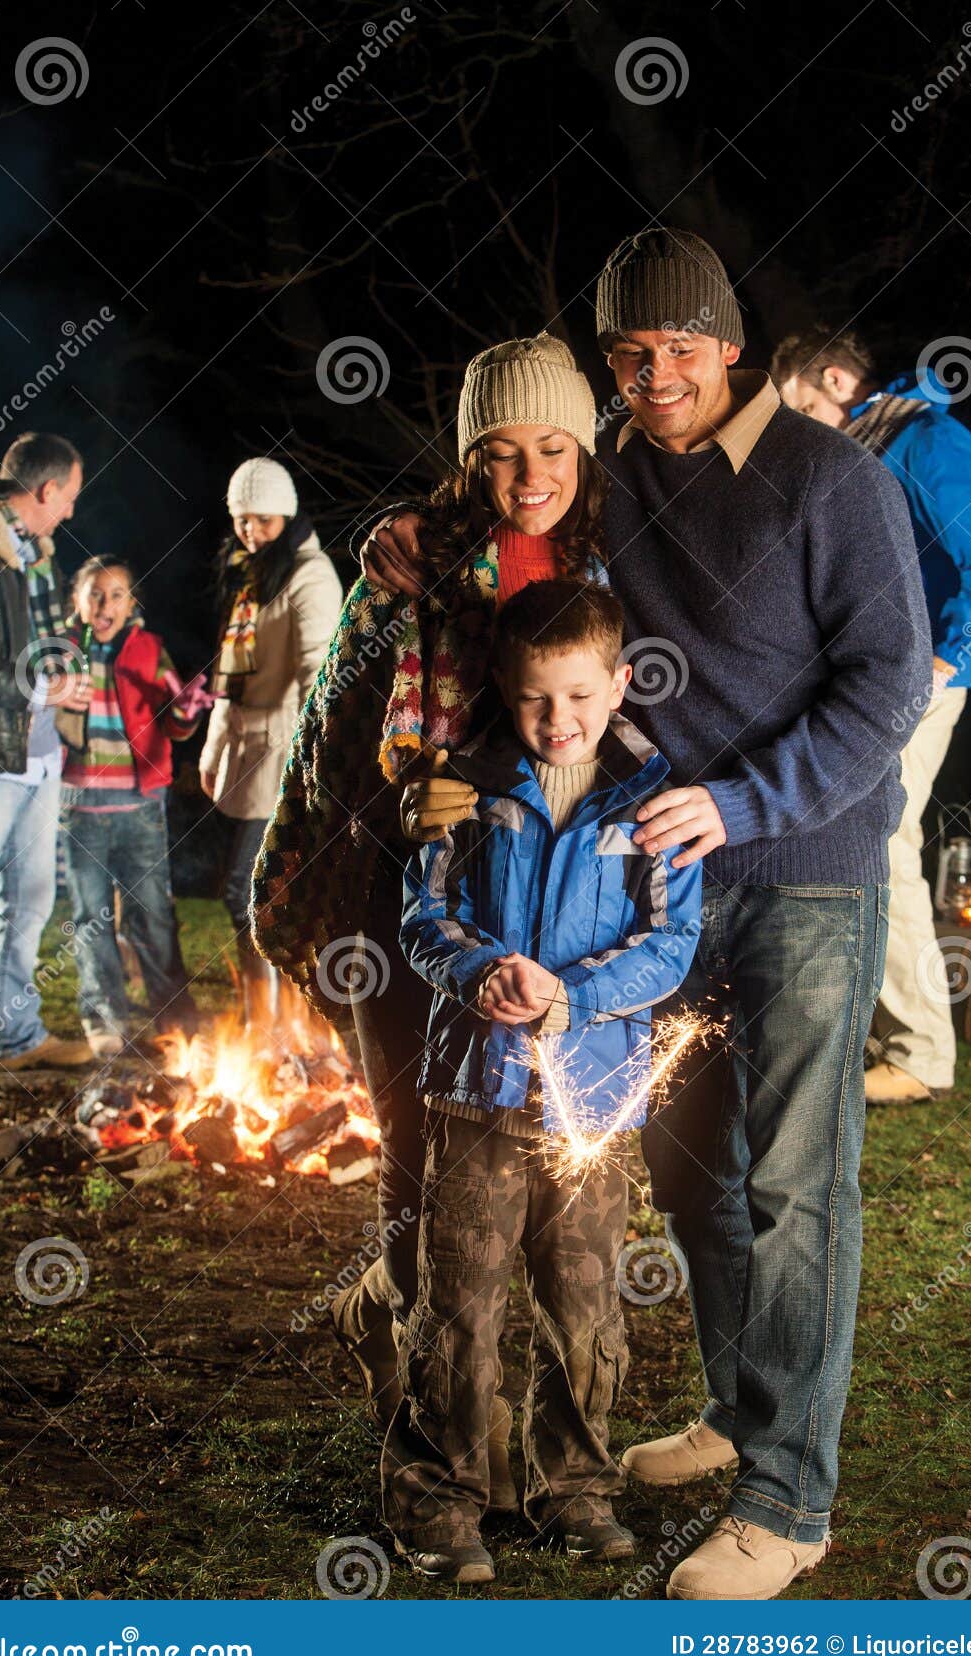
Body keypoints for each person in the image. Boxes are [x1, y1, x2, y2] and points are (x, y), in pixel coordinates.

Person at [364, 230, 934, 1599]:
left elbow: (888, 681)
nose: (656, 368)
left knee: (799, 1182)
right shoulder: (607, 475)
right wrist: (394, 535)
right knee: (688, 1176)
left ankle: (788, 1499)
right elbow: (506, 492)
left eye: (681, 342)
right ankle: (737, 1413)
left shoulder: (828, 478)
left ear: (728, 343)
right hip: (650, 890)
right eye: (631, 348)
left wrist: (743, 803)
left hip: (797, 865)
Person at [251, 336, 609, 1510]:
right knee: (423, 1180)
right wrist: (404, 800)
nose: (526, 474)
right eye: (498, 452)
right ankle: (451, 1432)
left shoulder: (607, 558)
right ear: (465, 459)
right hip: (395, 913)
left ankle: (462, 1385)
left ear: (584, 449)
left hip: (548, 921)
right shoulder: (409, 558)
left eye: (551, 447)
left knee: (541, 1188)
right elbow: (330, 735)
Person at [383, 578, 702, 1583]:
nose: (554, 719)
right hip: (472, 1086)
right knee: (459, 1300)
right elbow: (419, 918)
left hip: (592, 1100)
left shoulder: (654, 801)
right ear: (504, 691)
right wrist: (482, 971)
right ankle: (448, 1497)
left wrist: (564, 996)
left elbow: (670, 942)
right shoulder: (463, 787)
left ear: (615, 686)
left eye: (575, 695)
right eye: (532, 698)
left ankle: (575, 1487)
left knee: (582, 1298)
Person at [772, 327, 971, 1105]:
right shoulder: (869, 445)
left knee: (885, 843)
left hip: (913, 682)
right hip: (866, 676)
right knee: (857, 841)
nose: (801, 424)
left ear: (836, 379)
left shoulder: (927, 439)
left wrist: (942, 659)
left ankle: (920, 1054)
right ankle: (876, 1037)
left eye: (802, 405)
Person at [199, 457, 341, 1034]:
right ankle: (268, 1022)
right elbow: (228, 682)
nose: (249, 531)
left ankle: (282, 1024)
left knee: (249, 892)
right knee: (254, 894)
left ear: (285, 514)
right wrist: (211, 752)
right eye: (241, 520)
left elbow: (320, 673)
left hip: (284, 756)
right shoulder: (254, 576)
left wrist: (314, 763)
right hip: (245, 754)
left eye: (260, 519)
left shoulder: (310, 575)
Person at [0, 434, 94, 1071]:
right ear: (46, 491)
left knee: (30, 900)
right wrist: (42, 687)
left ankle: (12, 1038)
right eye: (69, 497)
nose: (70, 512)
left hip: (38, 758)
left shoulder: (35, 556)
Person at [57, 555, 210, 1056]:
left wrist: (186, 712)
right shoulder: (59, 651)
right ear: (78, 601)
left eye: (116, 594)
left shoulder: (149, 649)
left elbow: (175, 720)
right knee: (88, 917)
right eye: (95, 594)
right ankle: (105, 1022)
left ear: (131, 604)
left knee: (152, 915)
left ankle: (175, 1019)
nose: (105, 603)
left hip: (140, 805)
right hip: (79, 808)